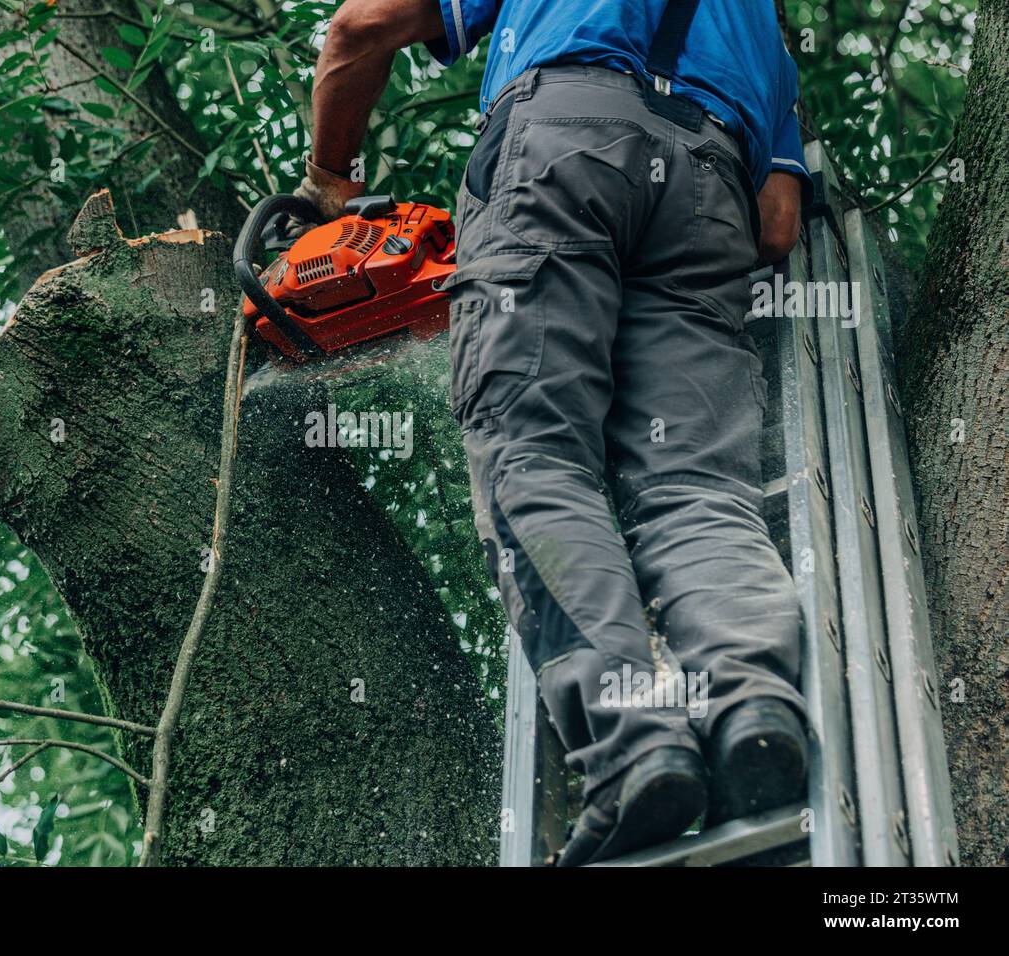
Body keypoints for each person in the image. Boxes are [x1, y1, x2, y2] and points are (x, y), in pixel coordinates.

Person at [298, 0, 812, 865]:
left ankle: (633, 743)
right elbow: (779, 223)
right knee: (697, 488)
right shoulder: (762, 26)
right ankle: (752, 706)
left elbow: (359, 29)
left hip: (559, 144)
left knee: (533, 455)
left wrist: (329, 183)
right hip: (709, 191)